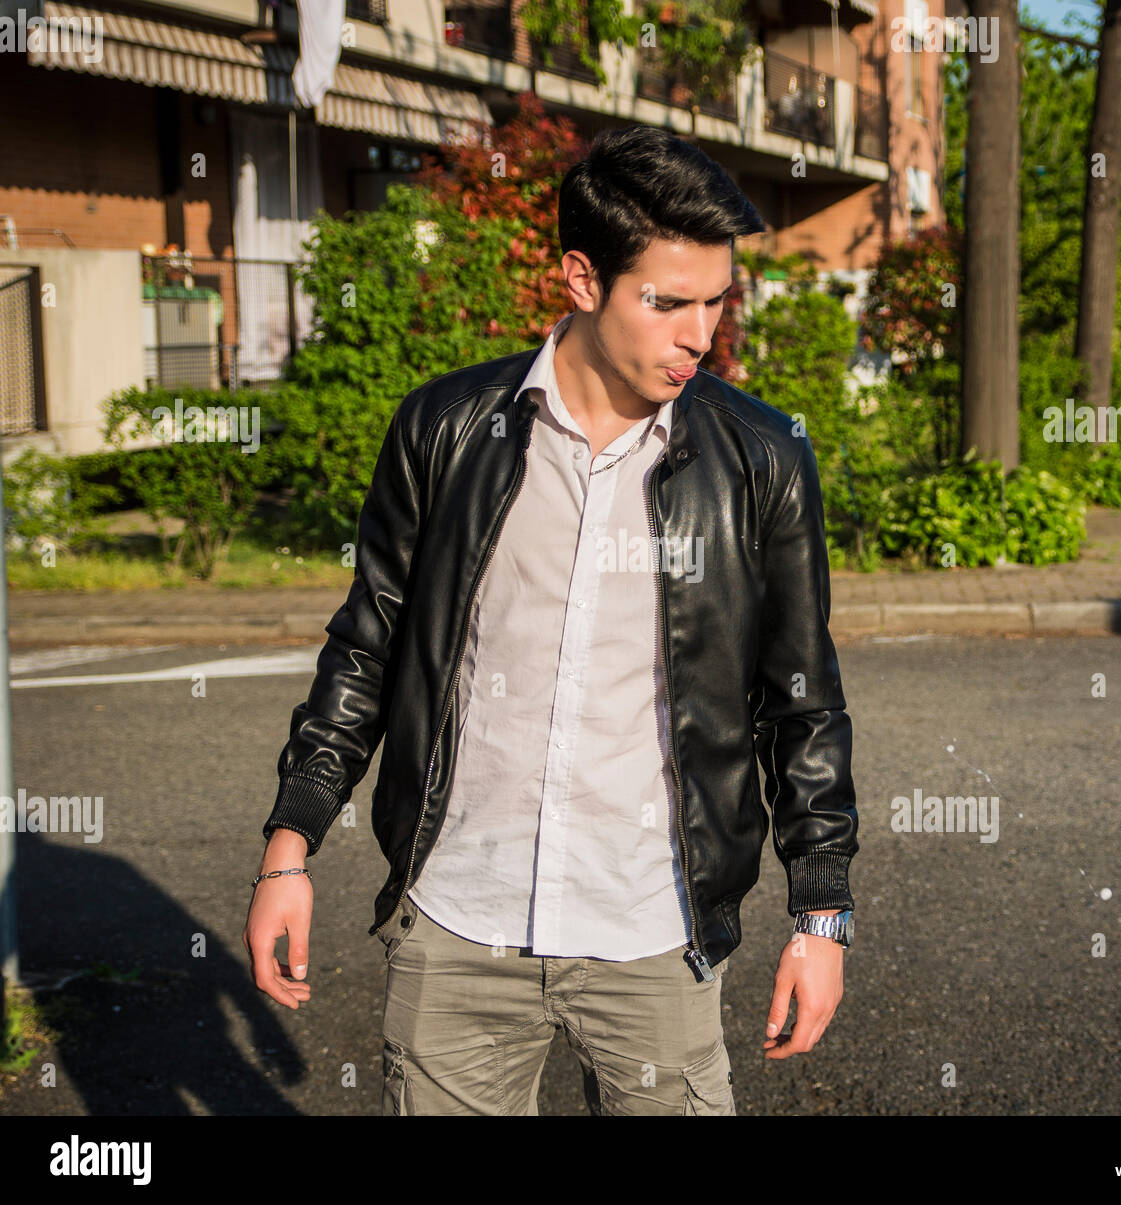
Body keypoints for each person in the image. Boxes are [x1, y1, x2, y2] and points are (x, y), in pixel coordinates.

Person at [243, 123, 859, 1115]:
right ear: (581, 279)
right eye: (666, 303)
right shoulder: (447, 432)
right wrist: (291, 845)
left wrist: (820, 914)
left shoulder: (761, 462)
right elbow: (368, 643)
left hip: (656, 935)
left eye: (715, 301)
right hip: (458, 929)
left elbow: (802, 699)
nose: (699, 334)